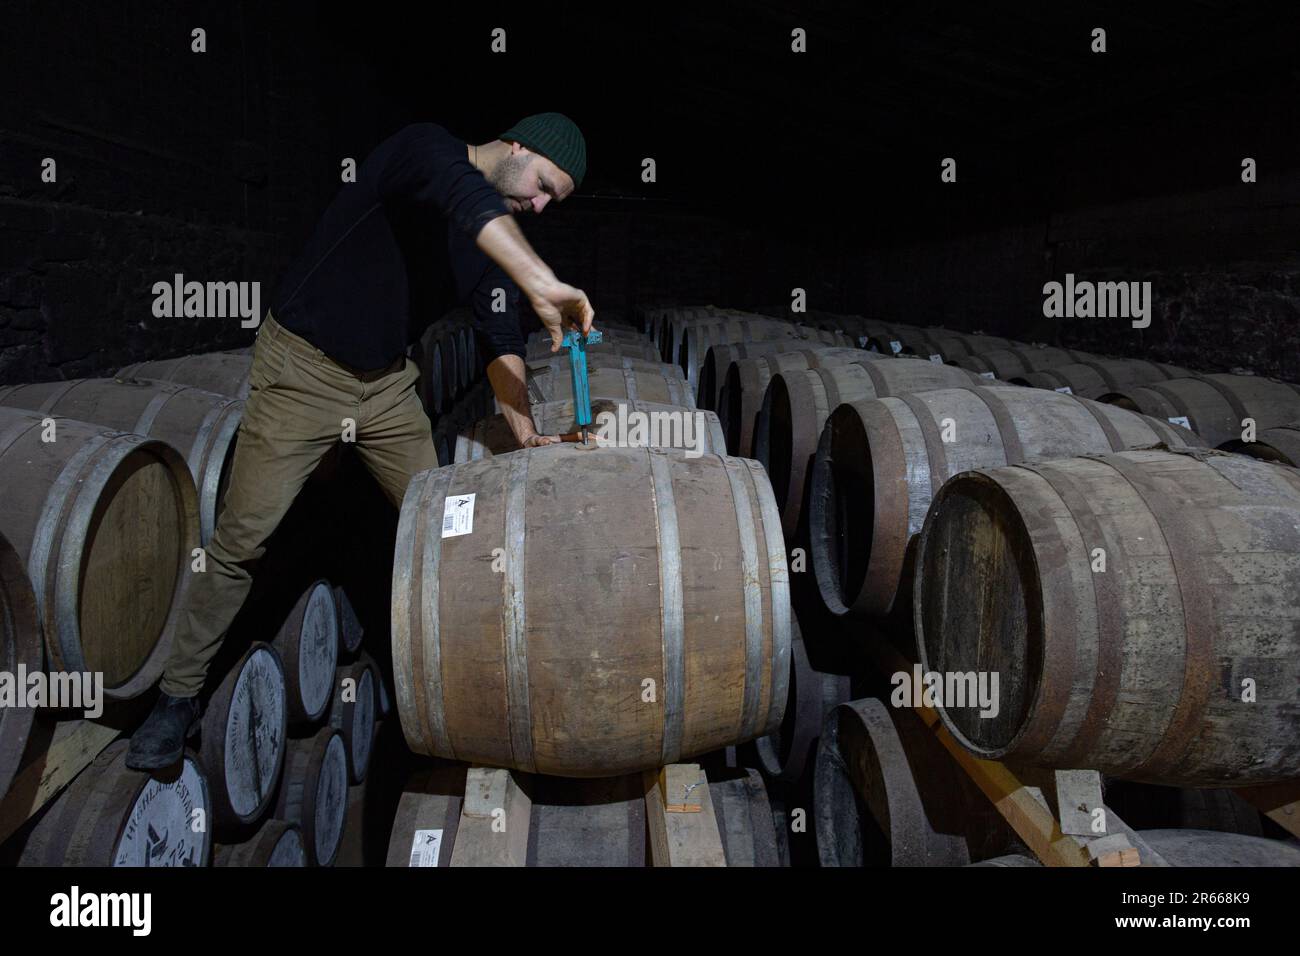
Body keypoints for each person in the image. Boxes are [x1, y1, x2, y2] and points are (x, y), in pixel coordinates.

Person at [126, 113, 594, 770]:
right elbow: (463, 195)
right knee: (242, 540)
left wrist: (524, 432)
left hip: (387, 387)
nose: (541, 205)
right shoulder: (424, 151)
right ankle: (176, 698)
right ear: (517, 147)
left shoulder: (491, 245)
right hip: (304, 370)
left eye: (553, 203)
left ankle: (443, 689)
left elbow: (501, 336)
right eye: (544, 185)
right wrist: (544, 281)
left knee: (439, 529)